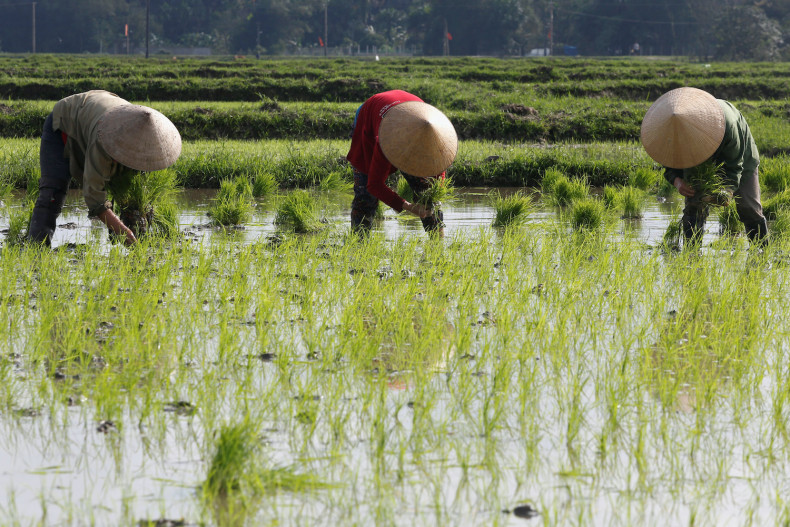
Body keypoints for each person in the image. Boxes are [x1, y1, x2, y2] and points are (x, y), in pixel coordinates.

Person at [28, 90, 182, 246]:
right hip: (65, 122)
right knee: (53, 191)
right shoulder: (104, 139)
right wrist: (123, 231)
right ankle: (36, 247)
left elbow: (130, 189)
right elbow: (94, 196)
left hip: (97, 110)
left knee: (125, 183)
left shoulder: (144, 142)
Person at [640, 86, 767, 245]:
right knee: (694, 203)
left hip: (741, 159)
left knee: (749, 206)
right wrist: (677, 180)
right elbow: (669, 160)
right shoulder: (671, 129)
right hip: (695, 158)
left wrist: (727, 190)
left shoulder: (729, 124)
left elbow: (735, 165)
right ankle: (691, 252)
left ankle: (761, 250)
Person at [346, 90, 458, 235]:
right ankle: (358, 245)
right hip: (369, 114)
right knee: (365, 196)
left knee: (427, 192)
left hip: (414, 113)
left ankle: (437, 245)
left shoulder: (435, 139)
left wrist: (432, 198)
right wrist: (408, 206)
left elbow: (439, 172)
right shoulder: (387, 140)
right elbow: (374, 185)